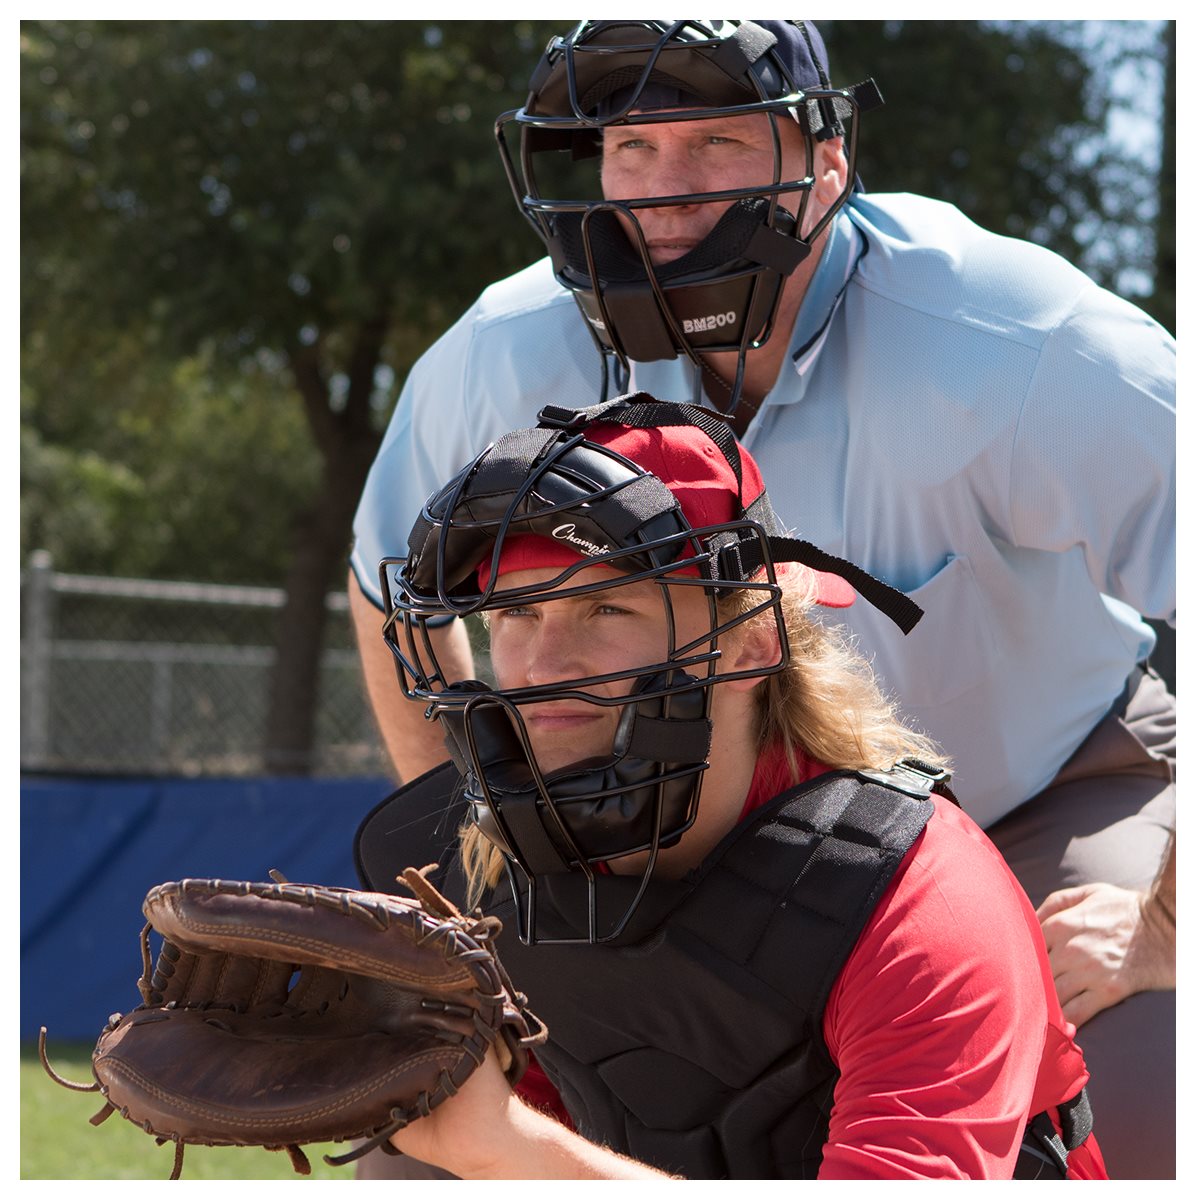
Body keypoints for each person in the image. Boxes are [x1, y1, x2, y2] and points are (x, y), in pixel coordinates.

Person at [348, 21, 1174, 1177]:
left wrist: (1169, 926)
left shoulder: (1019, 341)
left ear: (825, 161)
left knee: (1147, 1100)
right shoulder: (505, 347)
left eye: (717, 141)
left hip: (1044, 788)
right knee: (429, 1146)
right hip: (693, 833)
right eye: (630, 148)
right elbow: (391, 591)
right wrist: (493, 844)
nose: (662, 190)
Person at [354, 397, 1106, 1179]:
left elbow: (529, 1150)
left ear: (750, 639)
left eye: (603, 607)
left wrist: (506, 1148)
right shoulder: (508, 870)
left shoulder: (919, 901)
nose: (542, 669)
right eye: (513, 615)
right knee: (411, 1155)